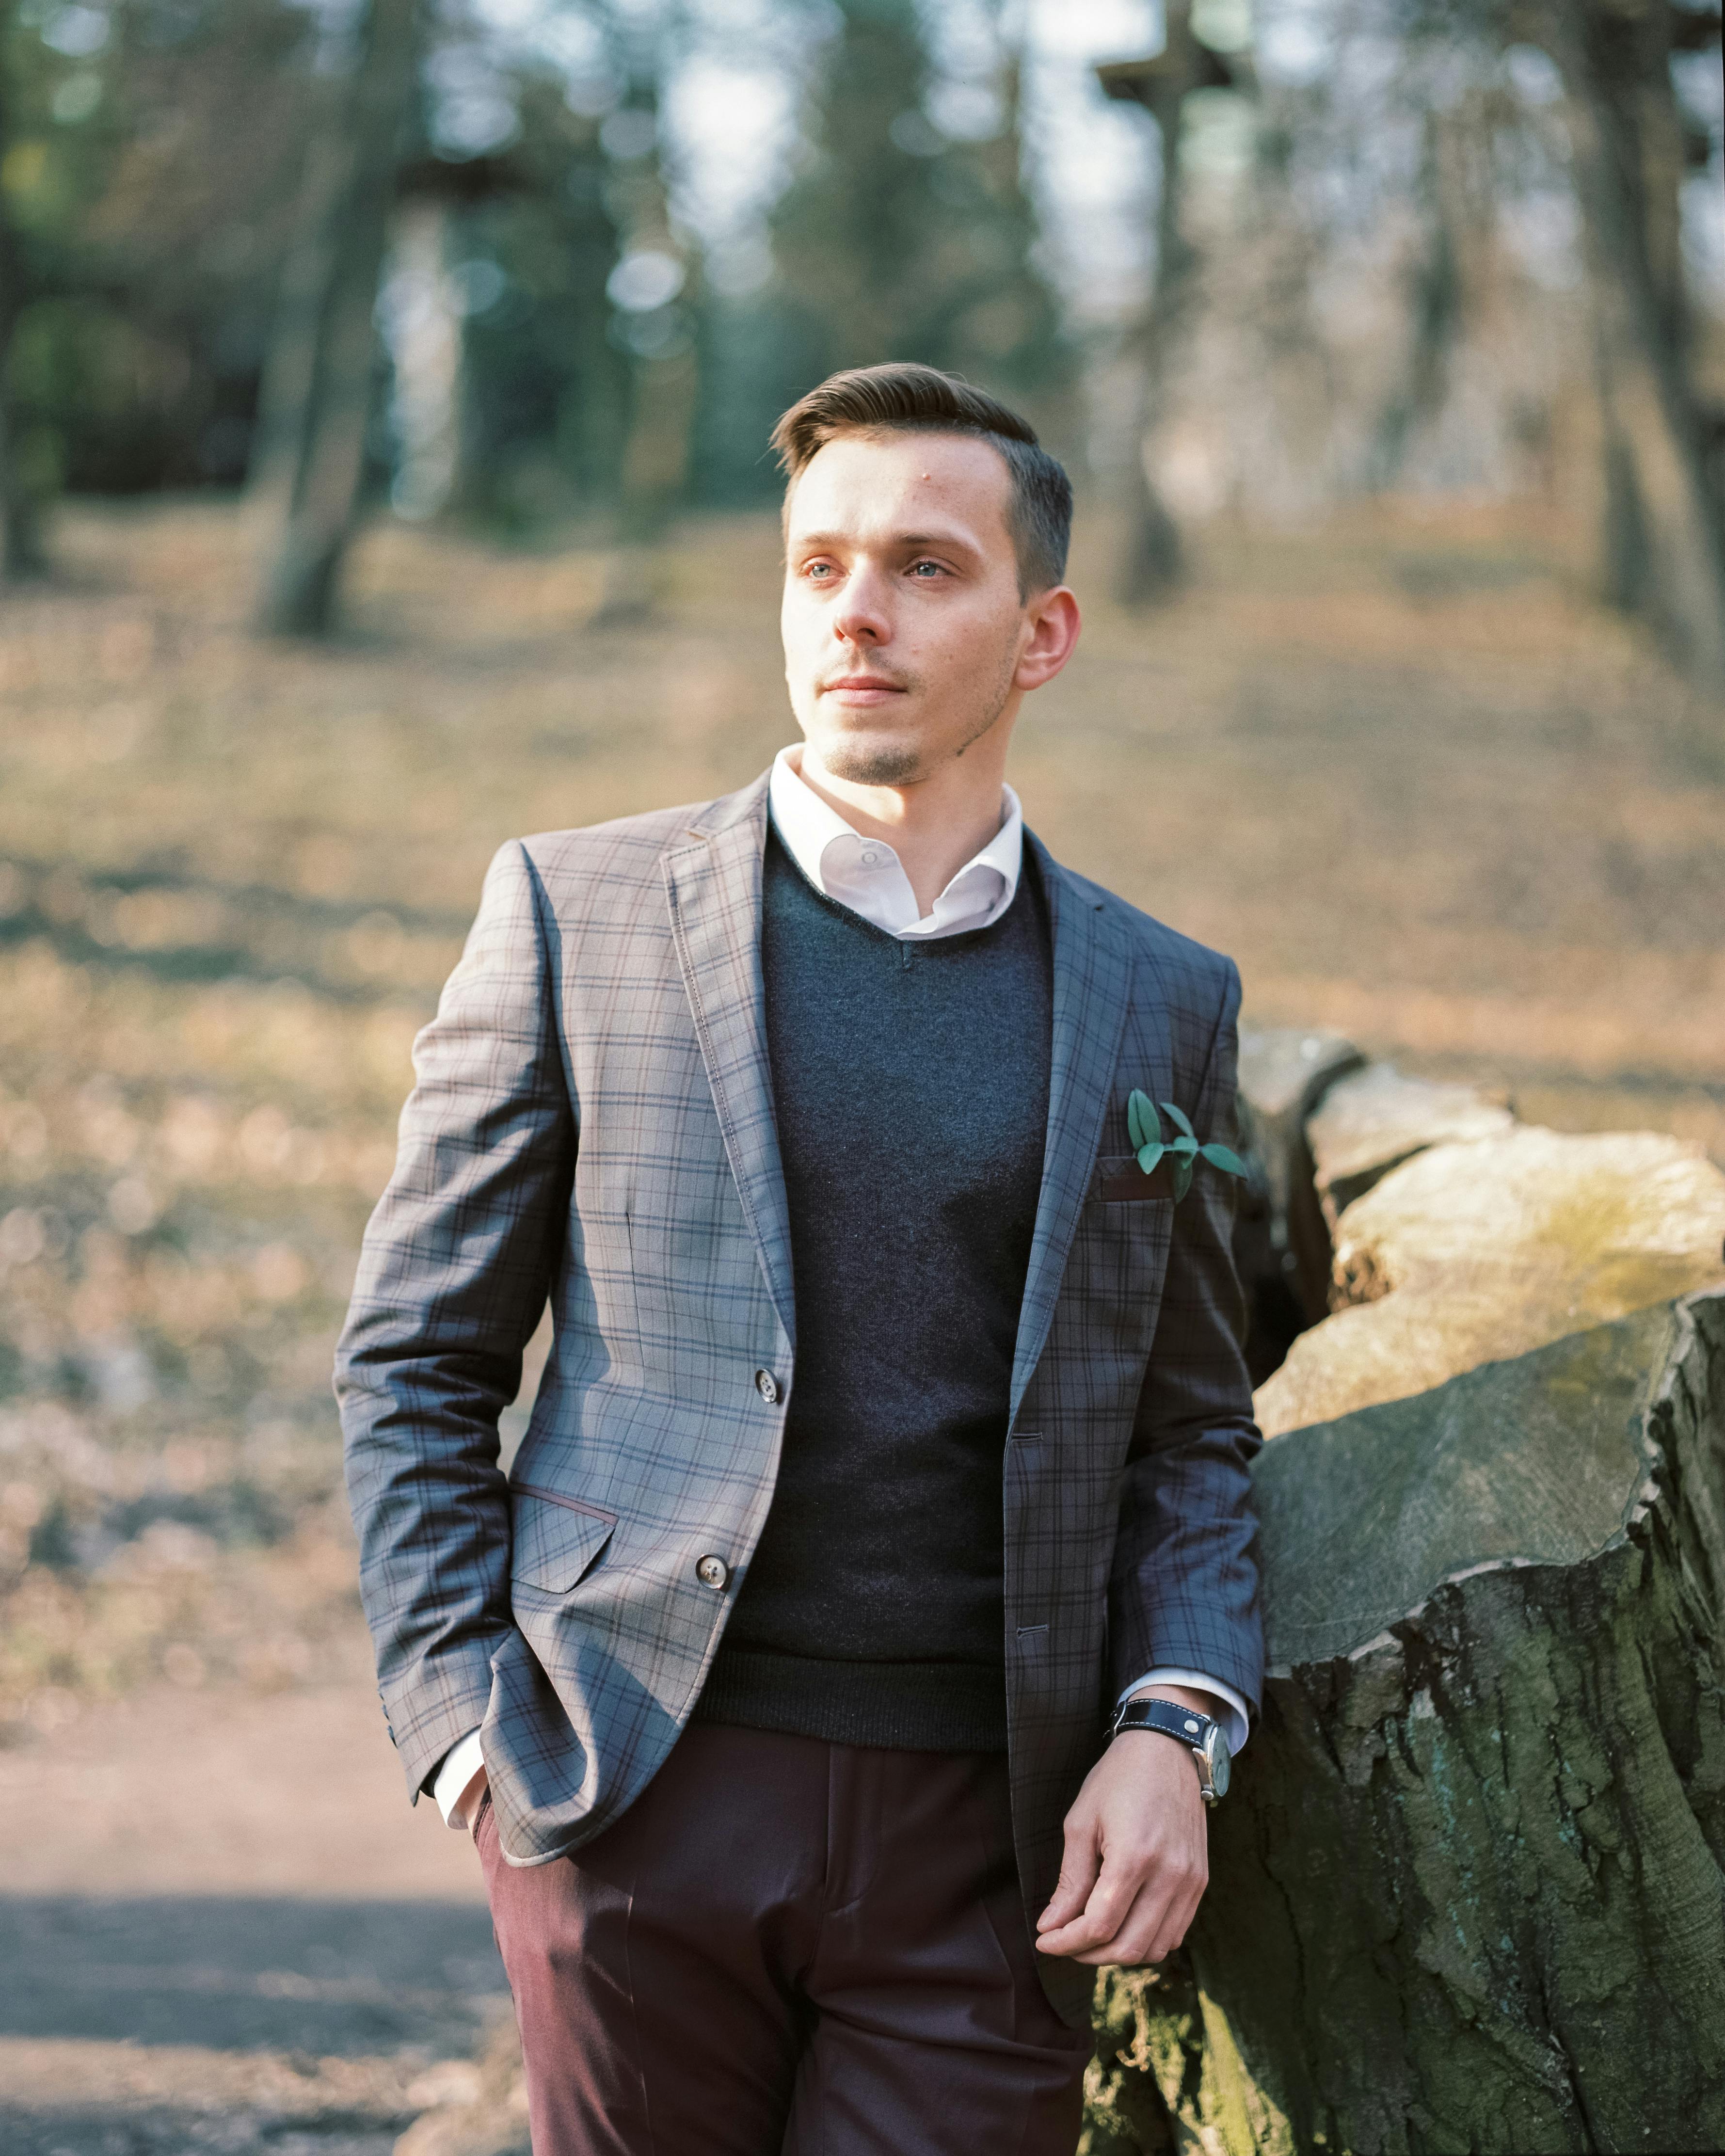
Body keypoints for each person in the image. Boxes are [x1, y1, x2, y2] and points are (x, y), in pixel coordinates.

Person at [335, 362, 1263, 2156]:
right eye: (818, 564)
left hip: (994, 1840)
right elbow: (417, 1358)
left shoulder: (1166, 997)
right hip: (629, 1793)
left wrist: (1175, 1721)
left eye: (926, 566)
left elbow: (1190, 1429)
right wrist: (463, 1718)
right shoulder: (571, 911)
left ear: (1042, 630)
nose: (856, 610)